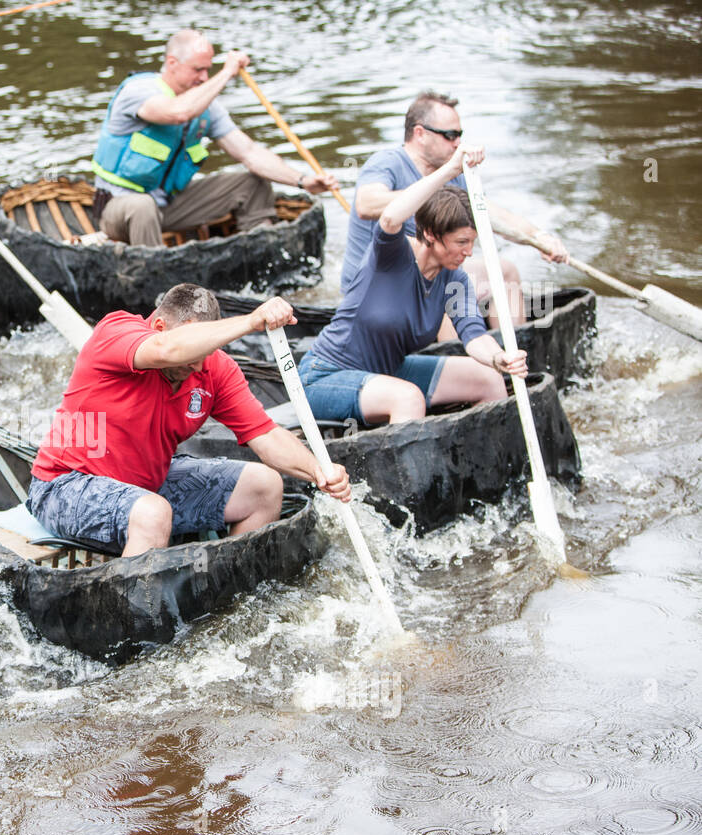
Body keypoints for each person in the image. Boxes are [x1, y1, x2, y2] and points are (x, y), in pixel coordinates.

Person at [27, 283, 351, 556]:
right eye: (192, 359)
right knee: (152, 513)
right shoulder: (117, 331)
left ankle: (229, 590)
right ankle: (135, 622)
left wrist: (319, 472)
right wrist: (253, 320)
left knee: (264, 486)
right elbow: (168, 350)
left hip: (147, 484)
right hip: (64, 484)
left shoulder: (216, 368)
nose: (198, 368)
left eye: (204, 357)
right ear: (158, 327)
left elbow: (266, 435)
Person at [298, 145, 528, 426]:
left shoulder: (455, 279)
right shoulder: (393, 254)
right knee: (408, 398)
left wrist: (498, 358)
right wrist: (450, 170)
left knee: (488, 379)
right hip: (326, 376)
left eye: (472, 242)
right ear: (431, 234)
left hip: (389, 373)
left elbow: (474, 335)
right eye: (461, 243)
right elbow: (390, 217)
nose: (469, 252)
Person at [91, 29, 337, 248]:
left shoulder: (206, 107)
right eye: (198, 69)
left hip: (168, 206)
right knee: (142, 206)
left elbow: (249, 153)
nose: (204, 78)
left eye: (208, 69)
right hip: (118, 208)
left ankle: (264, 253)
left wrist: (303, 181)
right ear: (172, 63)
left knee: (253, 183)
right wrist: (228, 72)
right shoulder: (138, 91)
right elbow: (178, 112)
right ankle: (156, 283)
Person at [342, 90, 569, 327]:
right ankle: (455, 357)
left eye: (460, 135)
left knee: (505, 272)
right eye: (450, 135)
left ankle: (516, 355)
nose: (458, 143)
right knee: (442, 283)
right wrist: (435, 187)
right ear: (420, 133)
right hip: (377, 283)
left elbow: (493, 215)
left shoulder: (452, 174)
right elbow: (366, 204)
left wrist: (540, 239)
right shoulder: (387, 162)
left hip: (426, 271)